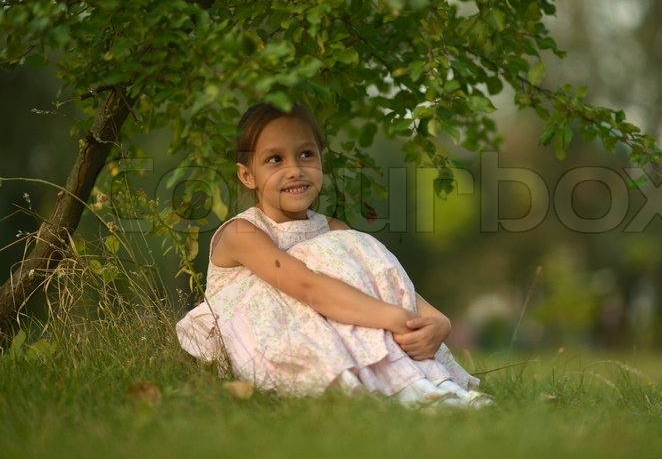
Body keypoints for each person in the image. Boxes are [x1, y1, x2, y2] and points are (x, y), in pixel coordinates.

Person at [176, 102, 491, 408]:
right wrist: (393, 317)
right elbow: (307, 287)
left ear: (321, 160)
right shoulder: (242, 233)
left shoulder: (331, 230)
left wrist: (436, 320)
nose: (295, 170)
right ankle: (408, 391)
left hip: (325, 322)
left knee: (359, 251)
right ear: (247, 176)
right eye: (275, 159)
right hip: (271, 342)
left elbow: (378, 276)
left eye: (306, 154)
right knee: (342, 298)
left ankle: (429, 385)